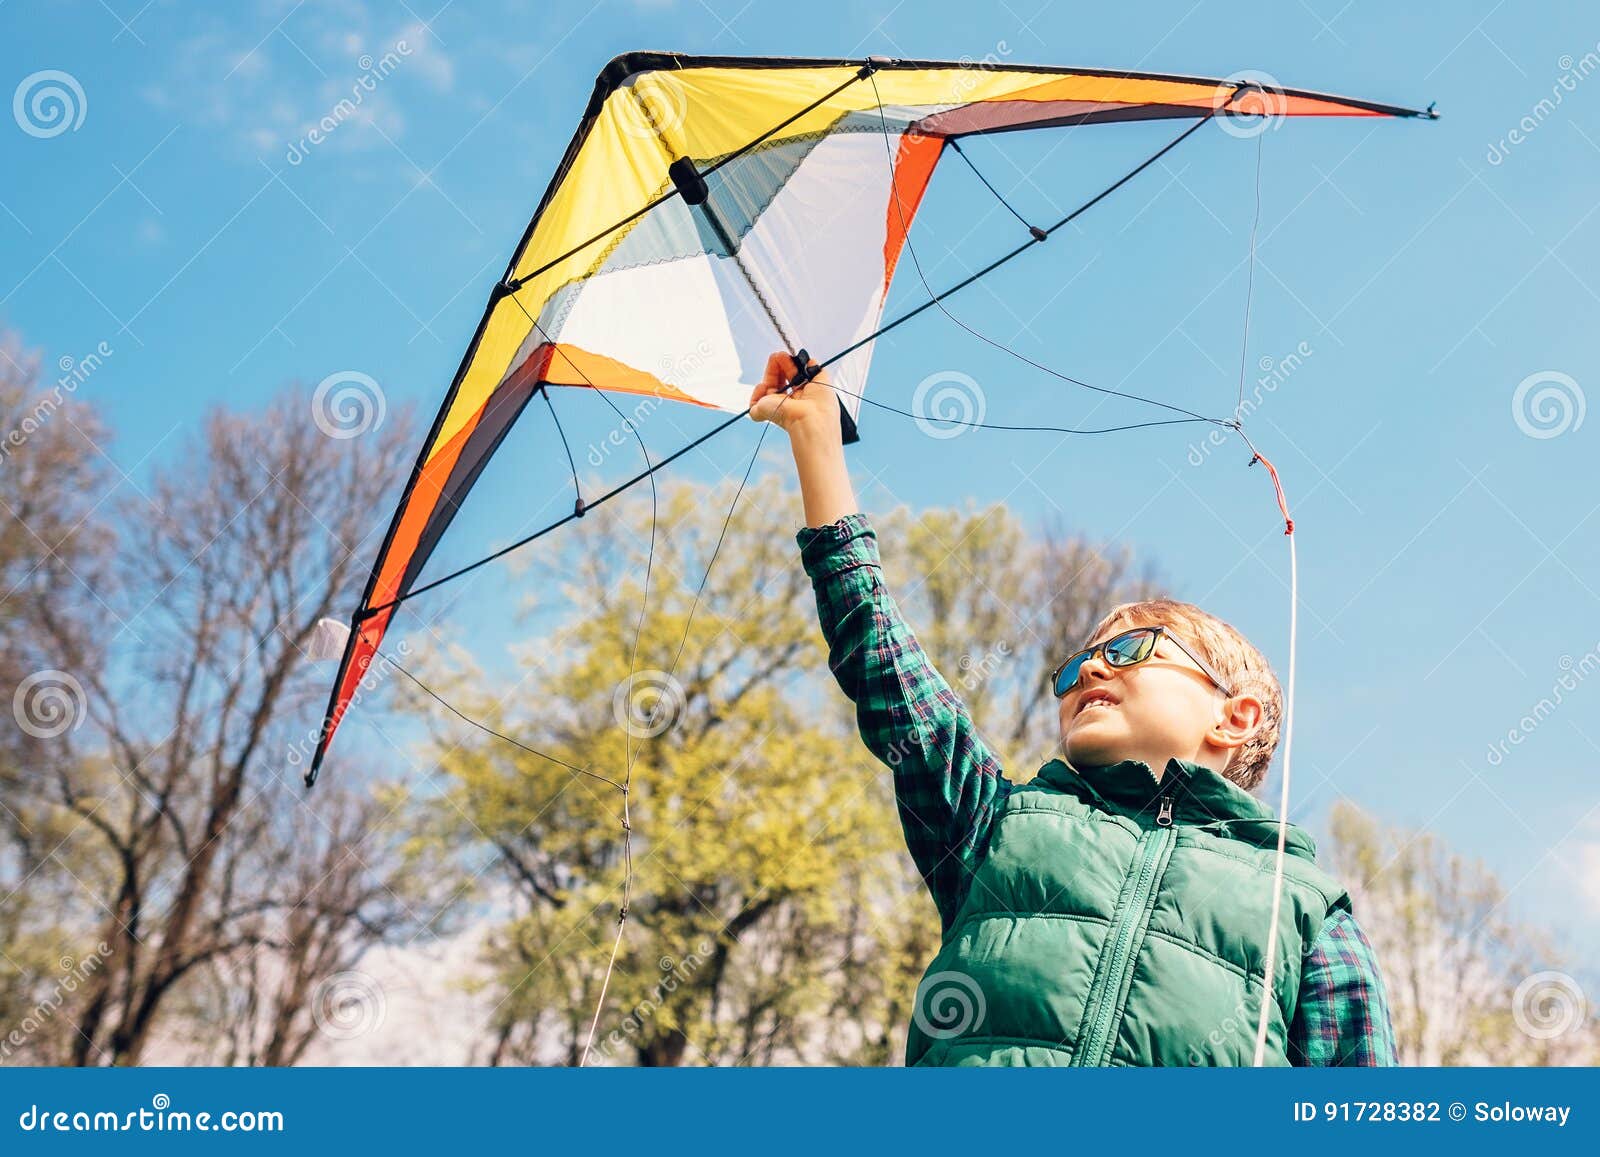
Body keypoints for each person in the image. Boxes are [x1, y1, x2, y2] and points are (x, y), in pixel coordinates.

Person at [750, 352, 1398, 1067]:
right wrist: (814, 434)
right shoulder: (999, 825)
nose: (1087, 665)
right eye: (1075, 665)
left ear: (1233, 717)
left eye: (1130, 651)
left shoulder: (1303, 904)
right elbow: (888, 670)